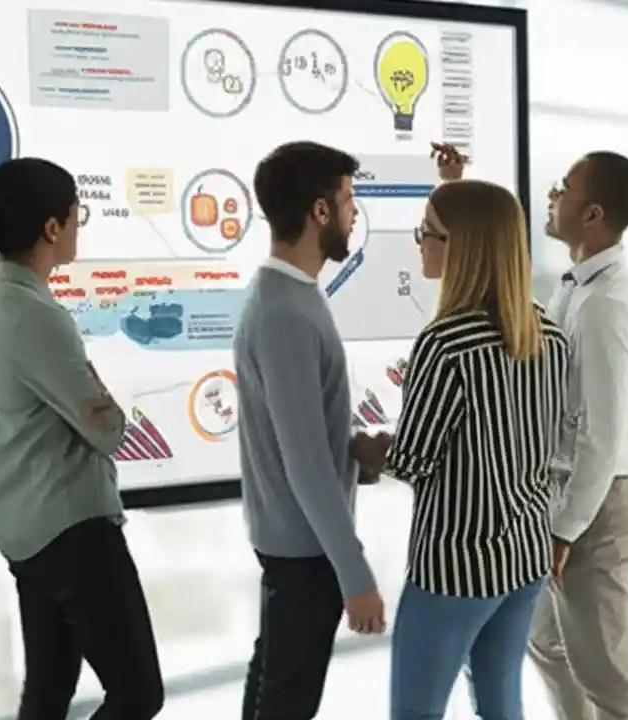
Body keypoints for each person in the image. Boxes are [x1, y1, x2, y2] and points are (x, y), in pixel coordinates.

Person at [0, 158, 164, 719]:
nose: (81, 224)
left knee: (50, 692)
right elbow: (107, 429)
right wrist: (100, 391)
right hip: (73, 529)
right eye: (78, 213)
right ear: (52, 227)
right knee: (137, 694)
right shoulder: (35, 315)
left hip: (30, 530)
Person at [380, 145, 570, 720]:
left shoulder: (446, 344)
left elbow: (411, 460)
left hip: (455, 566)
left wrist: (367, 443)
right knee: (500, 703)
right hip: (522, 557)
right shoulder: (547, 334)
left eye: (427, 233)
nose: (421, 243)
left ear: (457, 247)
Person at [234, 141, 391, 720]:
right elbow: (302, 460)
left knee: (274, 693)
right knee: (286, 704)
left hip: (297, 546)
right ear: (320, 211)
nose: (354, 214)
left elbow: (303, 435)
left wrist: (353, 454)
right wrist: (356, 575)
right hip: (306, 555)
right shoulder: (284, 312)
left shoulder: (291, 296)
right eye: (348, 200)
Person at [527, 151, 628, 720]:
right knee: (547, 642)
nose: (553, 195)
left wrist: (564, 531)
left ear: (593, 213)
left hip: (598, 510)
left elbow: (600, 436)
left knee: (609, 682)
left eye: (564, 188)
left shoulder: (607, 304)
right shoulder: (576, 287)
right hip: (573, 499)